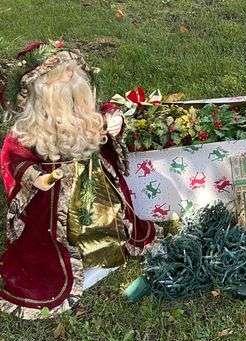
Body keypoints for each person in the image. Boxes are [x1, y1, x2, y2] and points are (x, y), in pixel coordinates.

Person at [0, 40, 157, 319]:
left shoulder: (82, 108)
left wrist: (113, 119)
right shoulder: (29, 129)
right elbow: (13, 160)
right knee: (51, 238)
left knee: (109, 215)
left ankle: (108, 238)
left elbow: (104, 111)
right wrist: (35, 176)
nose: (71, 76)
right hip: (54, 199)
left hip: (96, 184)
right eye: (61, 73)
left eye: (74, 69)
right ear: (39, 90)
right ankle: (71, 250)